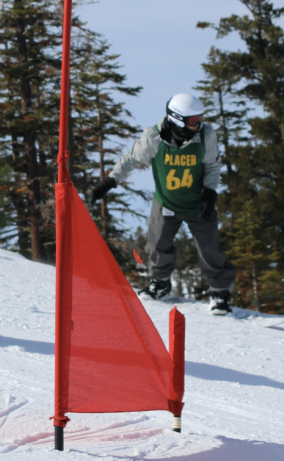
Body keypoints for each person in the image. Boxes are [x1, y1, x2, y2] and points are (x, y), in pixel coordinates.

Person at [90, 93, 236, 315]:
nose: (199, 123)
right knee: (157, 244)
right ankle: (160, 283)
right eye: (193, 120)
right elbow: (131, 159)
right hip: (166, 201)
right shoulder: (154, 138)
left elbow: (213, 167)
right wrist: (110, 181)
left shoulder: (206, 136)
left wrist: (209, 195)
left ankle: (220, 291)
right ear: (178, 120)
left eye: (200, 118)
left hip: (197, 203)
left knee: (209, 248)